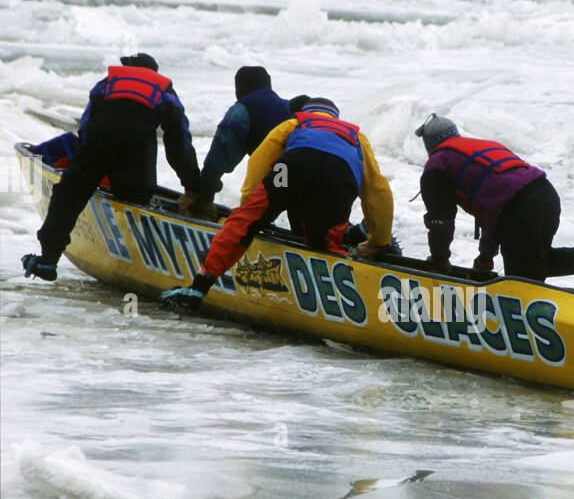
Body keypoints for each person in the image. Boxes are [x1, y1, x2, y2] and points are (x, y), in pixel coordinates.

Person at [160, 98, 394, 311]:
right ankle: (341, 288)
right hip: (340, 177)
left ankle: (197, 289)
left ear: (305, 112)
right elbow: (379, 192)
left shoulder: (294, 124)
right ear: (335, 116)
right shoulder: (357, 138)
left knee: (244, 222)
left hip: (291, 169)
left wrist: (250, 212)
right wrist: (378, 241)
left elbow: (258, 165)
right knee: (326, 241)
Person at [22, 53, 201, 281]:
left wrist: (86, 164)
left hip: (100, 138)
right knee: (135, 198)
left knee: (69, 194)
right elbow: (179, 145)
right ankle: (143, 266)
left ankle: (48, 261)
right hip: (138, 147)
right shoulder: (166, 92)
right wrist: (193, 185)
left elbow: (86, 125)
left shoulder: (107, 83)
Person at [414, 113, 574, 293]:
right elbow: (493, 209)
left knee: (523, 282)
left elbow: (441, 221)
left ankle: (552, 319)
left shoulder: (437, 163)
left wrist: (439, 259)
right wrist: (485, 261)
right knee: (535, 261)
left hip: (519, 208)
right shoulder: (480, 147)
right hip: (546, 194)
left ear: (429, 145)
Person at [181, 65, 311, 218]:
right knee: (302, 222)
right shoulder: (289, 107)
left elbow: (217, 161)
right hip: (312, 173)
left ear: (239, 88)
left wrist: (204, 197)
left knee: (257, 216)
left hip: (279, 175)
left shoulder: (242, 110)